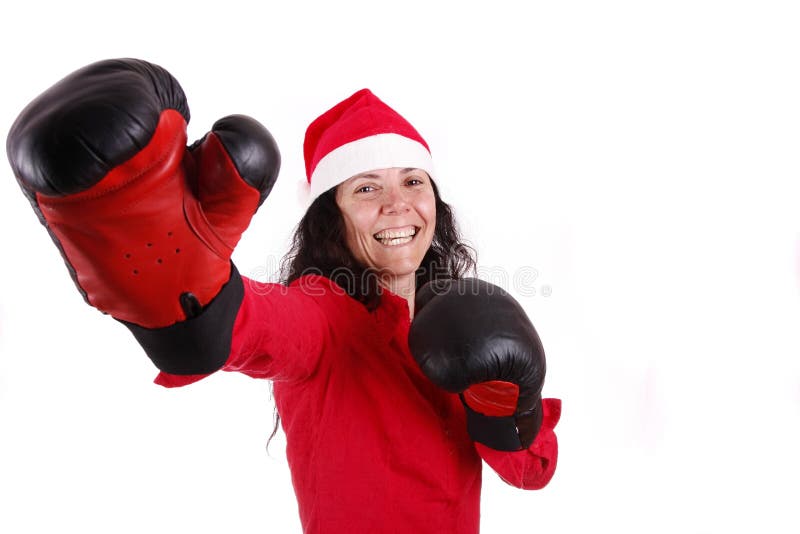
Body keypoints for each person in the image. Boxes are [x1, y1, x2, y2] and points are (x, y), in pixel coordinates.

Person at [7, 58, 561, 533]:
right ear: (330, 216)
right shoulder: (324, 312)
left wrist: (504, 404)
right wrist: (193, 302)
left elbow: (531, 472)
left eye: (413, 181)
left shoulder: (466, 320)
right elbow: (264, 325)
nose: (397, 204)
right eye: (366, 188)